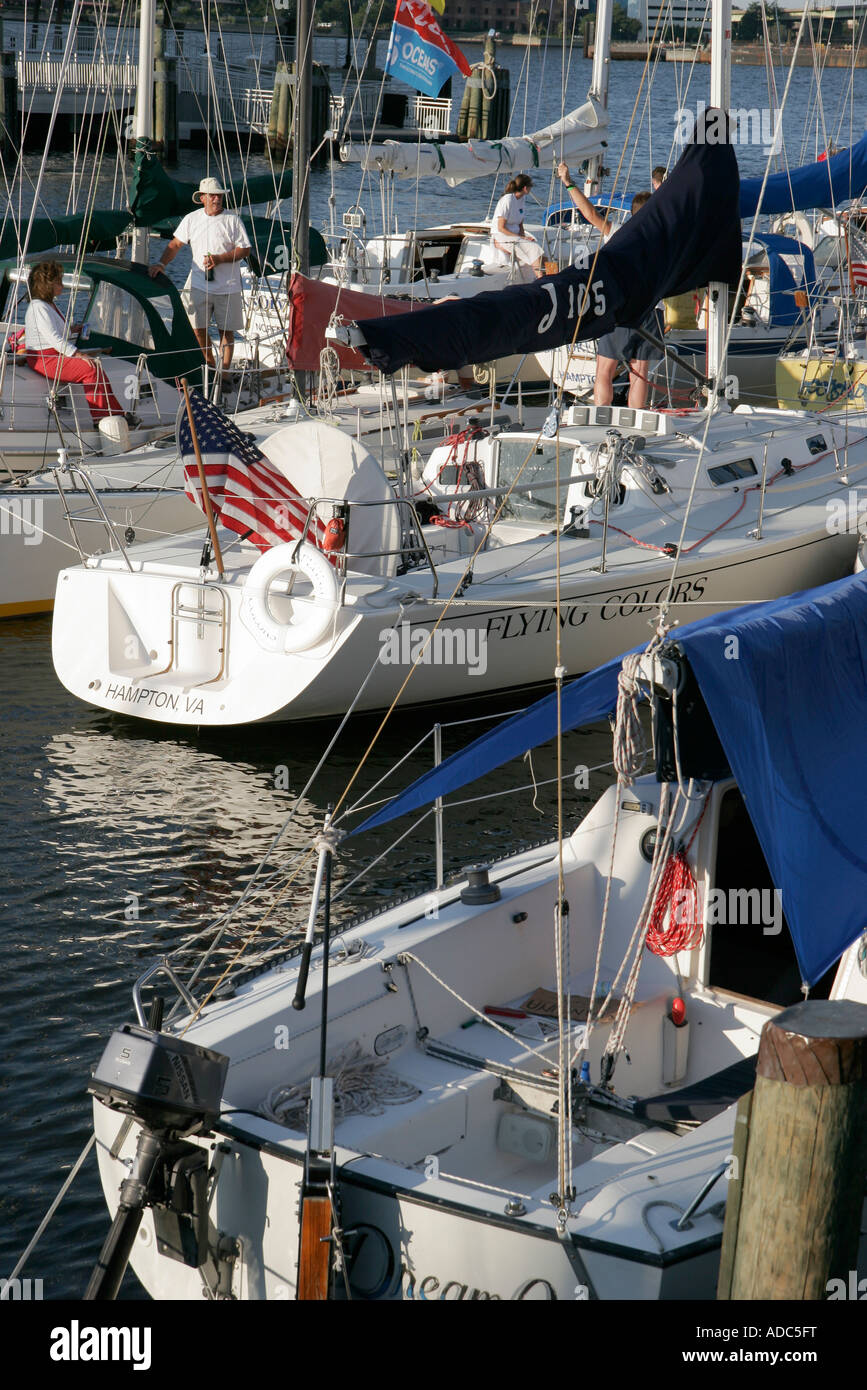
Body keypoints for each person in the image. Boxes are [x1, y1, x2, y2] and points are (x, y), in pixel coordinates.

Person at [557, 164, 659, 408]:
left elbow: (590, 214)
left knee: (605, 369)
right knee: (640, 371)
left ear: (634, 214)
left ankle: (601, 416)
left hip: (623, 310)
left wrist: (569, 182)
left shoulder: (619, 234)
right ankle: (635, 420)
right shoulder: (663, 242)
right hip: (654, 311)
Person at [149, 177, 251, 371]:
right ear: (202, 198)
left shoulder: (232, 220)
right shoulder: (192, 219)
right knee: (198, 331)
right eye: (212, 196)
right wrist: (161, 263)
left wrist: (220, 258)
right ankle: (211, 366)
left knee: (226, 332)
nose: (217, 199)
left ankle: (226, 373)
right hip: (199, 284)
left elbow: (244, 250)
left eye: (219, 196)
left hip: (228, 286)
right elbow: (175, 244)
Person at [24, 260, 127, 423]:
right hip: (45, 359)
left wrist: (72, 329)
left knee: (95, 366)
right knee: (90, 369)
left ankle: (116, 414)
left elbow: (55, 332)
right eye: (59, 282)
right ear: (47, 285)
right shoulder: (38, 307)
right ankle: (101, 418)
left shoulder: (47, 305)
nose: (62, 286)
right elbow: (54, 339)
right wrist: (78, 354)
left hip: (53, 356)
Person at [490, 174, 544, 278]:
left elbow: (520, 223)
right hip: (502, 235)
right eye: (530, 186)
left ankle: (552, 278)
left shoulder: (522, 199)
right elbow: (501, 228)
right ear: (525, 188)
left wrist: (525, 237)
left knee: (542, 251)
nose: (531, 188)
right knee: (534, 249)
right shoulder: (507, 200)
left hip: (515, 235)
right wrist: (521, 238)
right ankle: (541, 279)